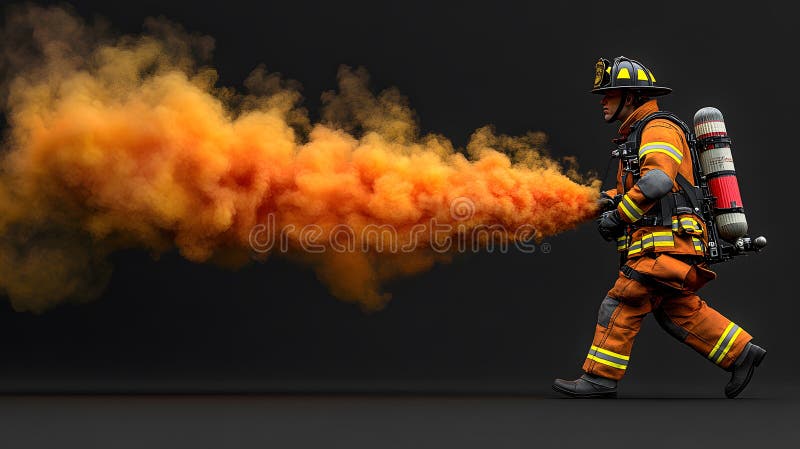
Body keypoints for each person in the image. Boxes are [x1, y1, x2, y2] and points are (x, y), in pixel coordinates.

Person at [552, 56, 766, 399]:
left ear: (633, 97)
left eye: (610, 94)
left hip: (667, 243)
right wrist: (593, 203)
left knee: (621, 303)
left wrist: (618, 217)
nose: (602, 101)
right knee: (674, 309)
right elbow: (633, 189)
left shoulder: (657, 128)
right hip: (669, 243)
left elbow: (657, 182)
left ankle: (599, 379)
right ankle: (741, 353)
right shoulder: (641, 134)